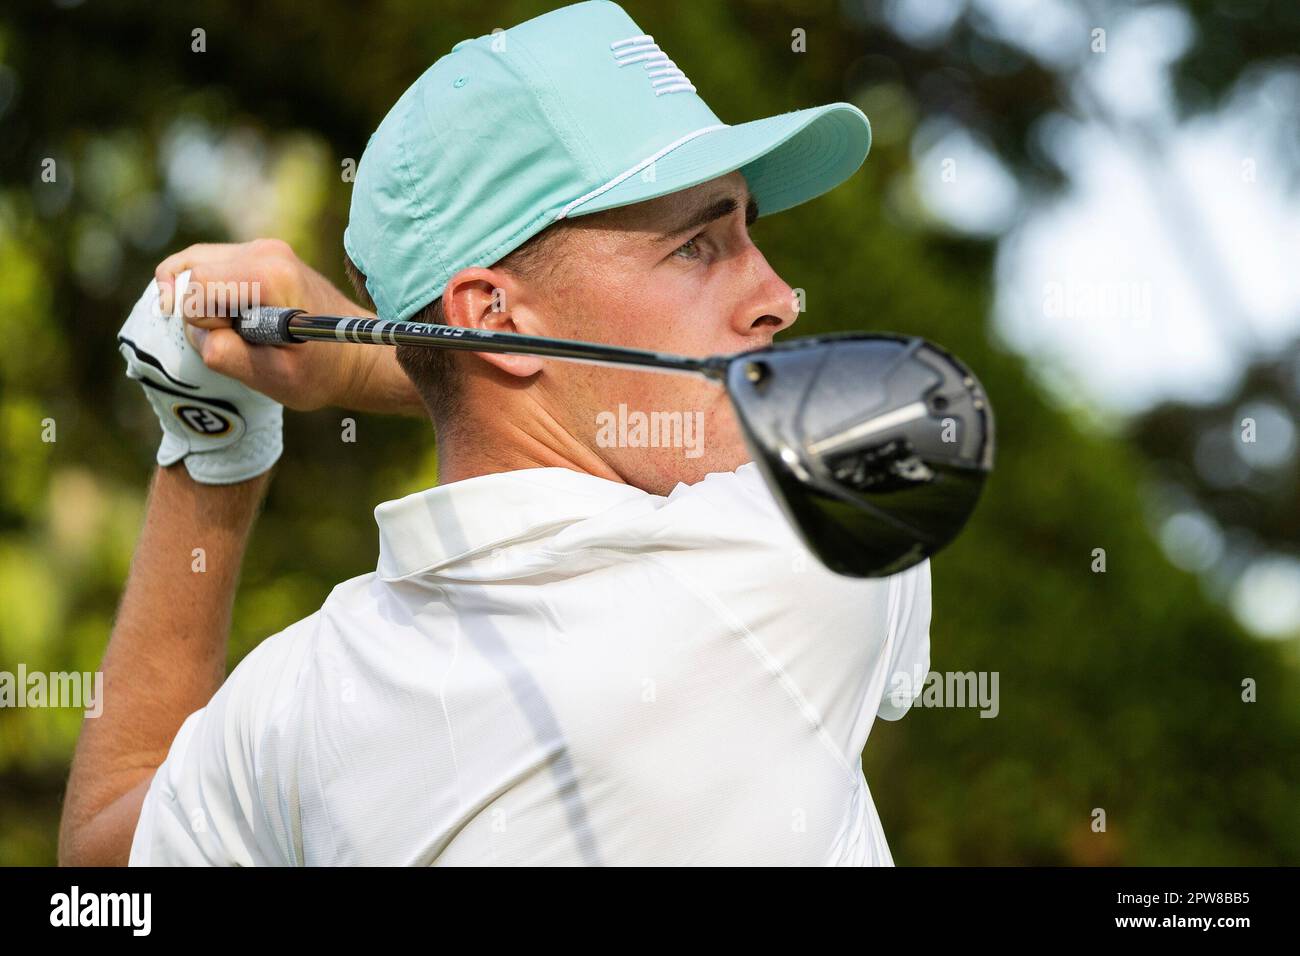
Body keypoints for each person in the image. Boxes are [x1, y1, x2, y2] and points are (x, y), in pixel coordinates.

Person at [60, 0, 930, 866]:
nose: (777, 295)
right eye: (697, 246)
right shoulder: (808, 552)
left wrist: (213, 442)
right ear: (494, 318)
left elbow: (99, 857)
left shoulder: (303, 701)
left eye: (749, 232)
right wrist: (353, 366)